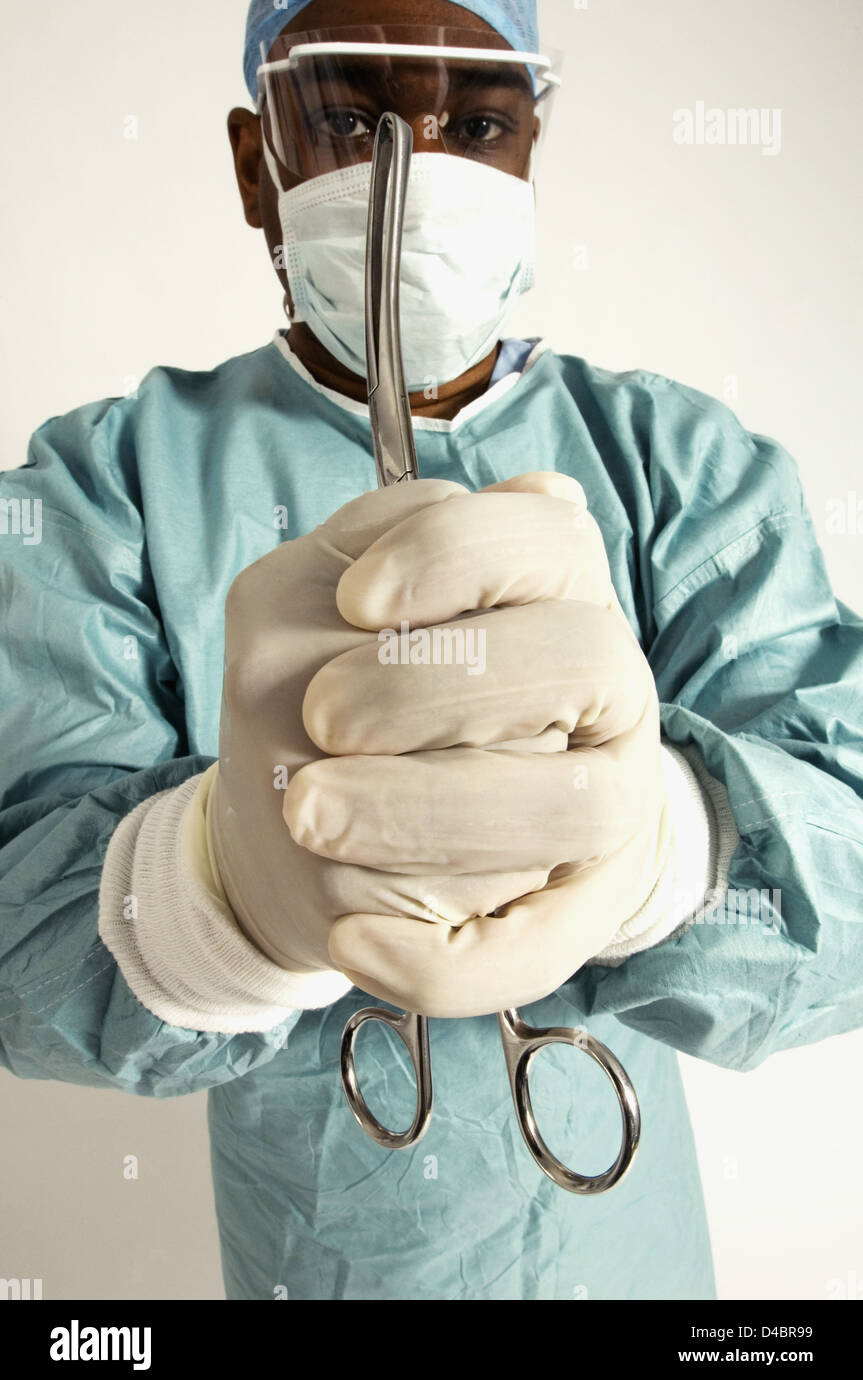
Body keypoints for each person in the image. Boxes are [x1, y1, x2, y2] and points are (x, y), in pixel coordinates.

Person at [1, 0, 861, 1302]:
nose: (421, 164)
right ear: (257, 162)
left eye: (480, 120)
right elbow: (22, 935)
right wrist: (211, 887)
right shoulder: (110, 485)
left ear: (532, 149)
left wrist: (663, 844)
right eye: (350, 116)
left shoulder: (678, 469)